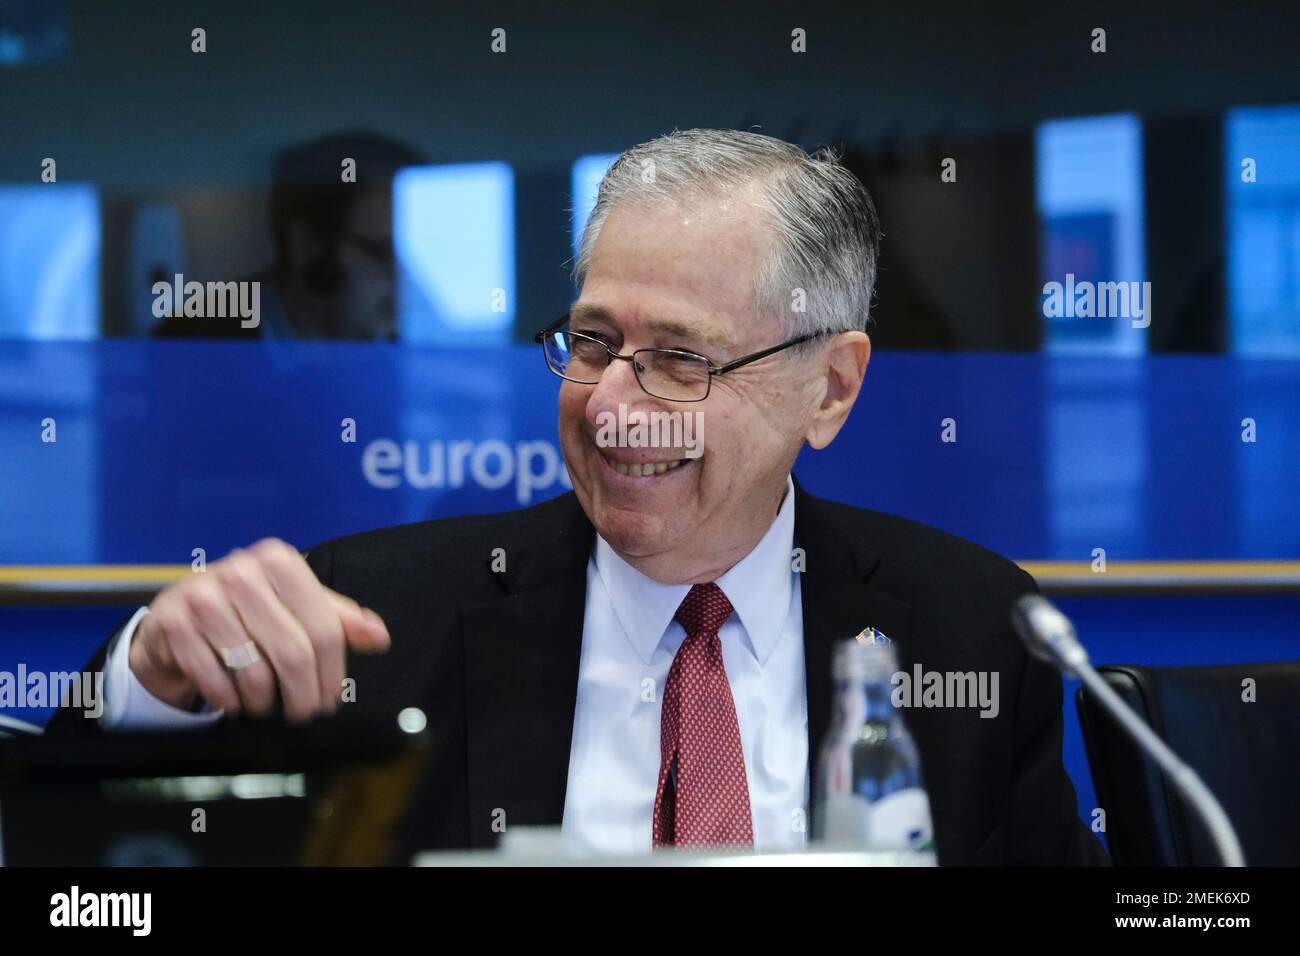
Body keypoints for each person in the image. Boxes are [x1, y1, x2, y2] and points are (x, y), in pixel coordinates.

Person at [51, 129, 1108, 865]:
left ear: (828, 386)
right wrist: (154, 674)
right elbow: (93, 873)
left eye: (680, 359)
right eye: (592, 341)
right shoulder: (374, 616)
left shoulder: (971, 627)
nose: (608, 405)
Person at [153, 130, 425, 340]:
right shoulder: (196, 340)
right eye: (382, 252)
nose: (403, 280)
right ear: (307, 245)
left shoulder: (411, 346)